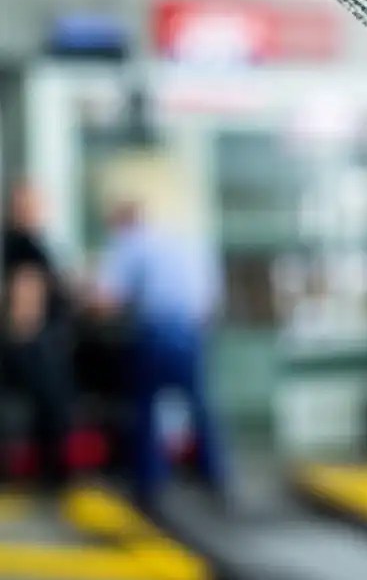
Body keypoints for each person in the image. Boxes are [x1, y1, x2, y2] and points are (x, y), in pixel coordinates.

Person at [90, 200, 226, 510]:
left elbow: (107, 299)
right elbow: (210, 296)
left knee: (145, 405)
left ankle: (150, 482)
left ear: (120, 222)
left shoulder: (129, 243)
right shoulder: (184, 240)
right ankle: (215, 476)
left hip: (157, 330)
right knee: (200, 405)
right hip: (192, 331)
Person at [1, 182, 73, 489]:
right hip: (28, 340)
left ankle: (50, 471)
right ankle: (52, 474)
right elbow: (25, 294)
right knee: (50, 402)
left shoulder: (33, 243)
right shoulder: (19, 244)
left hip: (34, 338)